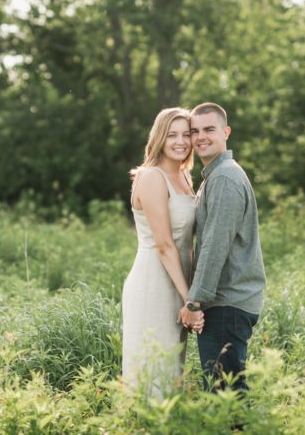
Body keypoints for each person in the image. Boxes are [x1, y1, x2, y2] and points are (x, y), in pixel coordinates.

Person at [179, 102, 266, 392]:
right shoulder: (215, 176)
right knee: (225, 393)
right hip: (225, 302)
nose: (200, 137)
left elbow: (215, 246)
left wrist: (194, 302)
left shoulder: (225, 178)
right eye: (195, 131)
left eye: (209, 129)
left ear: (226, 132)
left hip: (227, 303)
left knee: (224, 398)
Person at [122, 107, 204, 398]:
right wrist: (190, 301)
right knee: (152, 368)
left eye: (186, 134)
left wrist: (193, 293)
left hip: (180, 282)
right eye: (172, 135)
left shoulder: (185, 176)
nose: (181, 141)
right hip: (154, 282)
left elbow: (188, 243)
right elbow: (165, 244)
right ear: (159, 137)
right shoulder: (152, 177)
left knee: (172, 369)